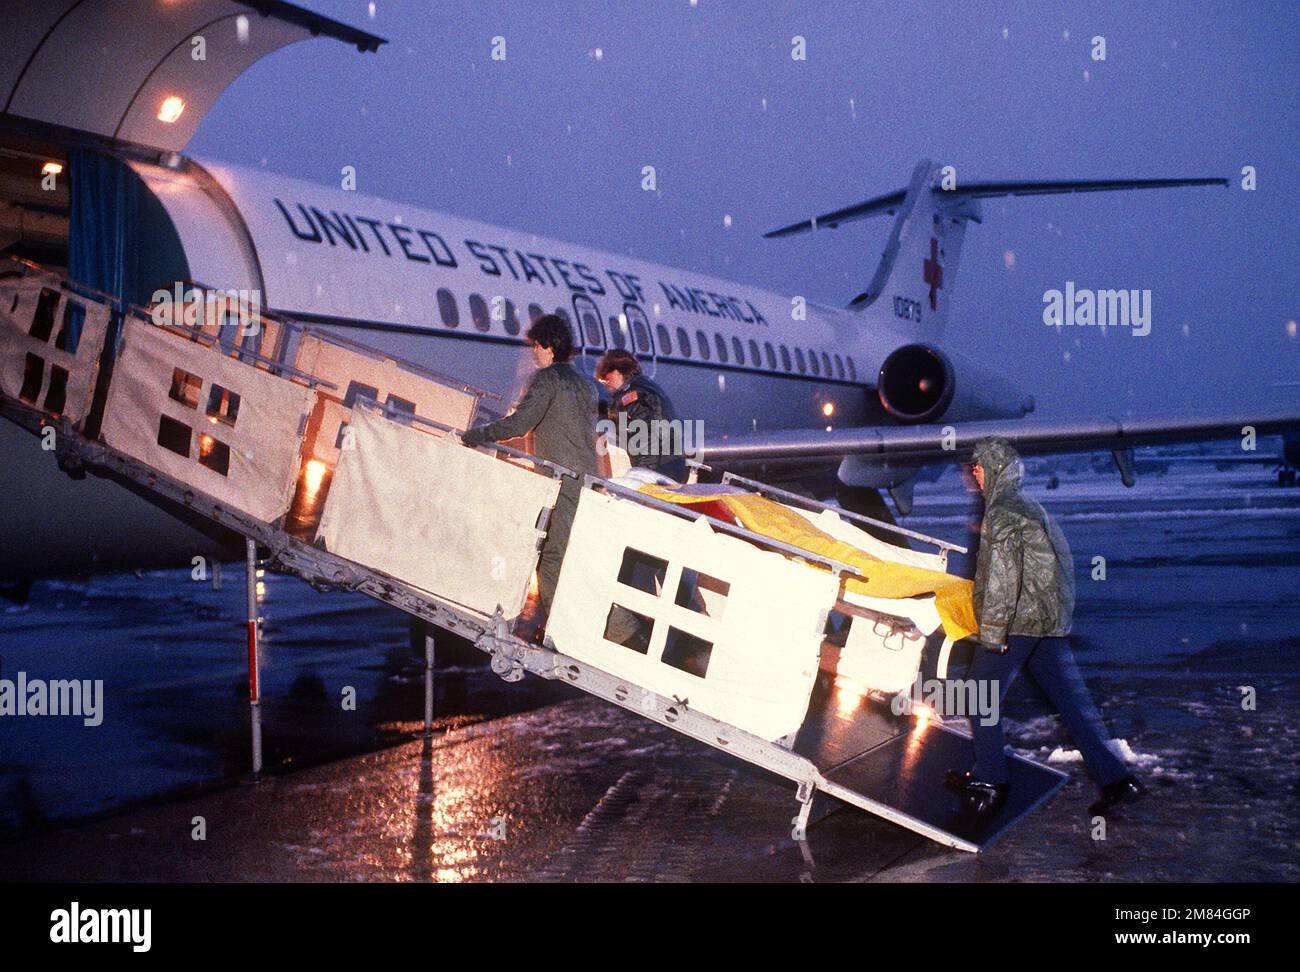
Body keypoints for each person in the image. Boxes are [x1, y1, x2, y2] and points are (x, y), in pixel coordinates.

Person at [946, 437, 1145, 819]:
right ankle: (1118, 780)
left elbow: (1002, 580)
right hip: (1045, 622)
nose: (973, 475)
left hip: (1018, 621)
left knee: (978, 691)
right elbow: (1062, 561)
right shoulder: (1029, 507)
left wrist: (991, 632)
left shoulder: (1002, 513)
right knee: (1069, 704)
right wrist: (1057, 616)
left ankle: (990, 781)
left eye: (978, 468)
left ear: (993, 469)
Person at [461, 315, 599, 626]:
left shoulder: (548, 379)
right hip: (587, 480)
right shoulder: (586, 385)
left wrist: (475, 434)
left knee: (550, 555)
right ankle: (574, 622)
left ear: (549, 347)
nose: (533, 352)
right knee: (573, 557)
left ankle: (560, 630)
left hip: (561, 483)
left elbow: (520, 424)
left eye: (536, 345)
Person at [594, 348, 688, 482]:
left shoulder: (635, 396)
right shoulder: (646, 388)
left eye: (606, 379)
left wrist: (643, 474)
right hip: (671, 467)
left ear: (616, 372)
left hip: (658, 471)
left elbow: (648, 439)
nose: (606, 385)